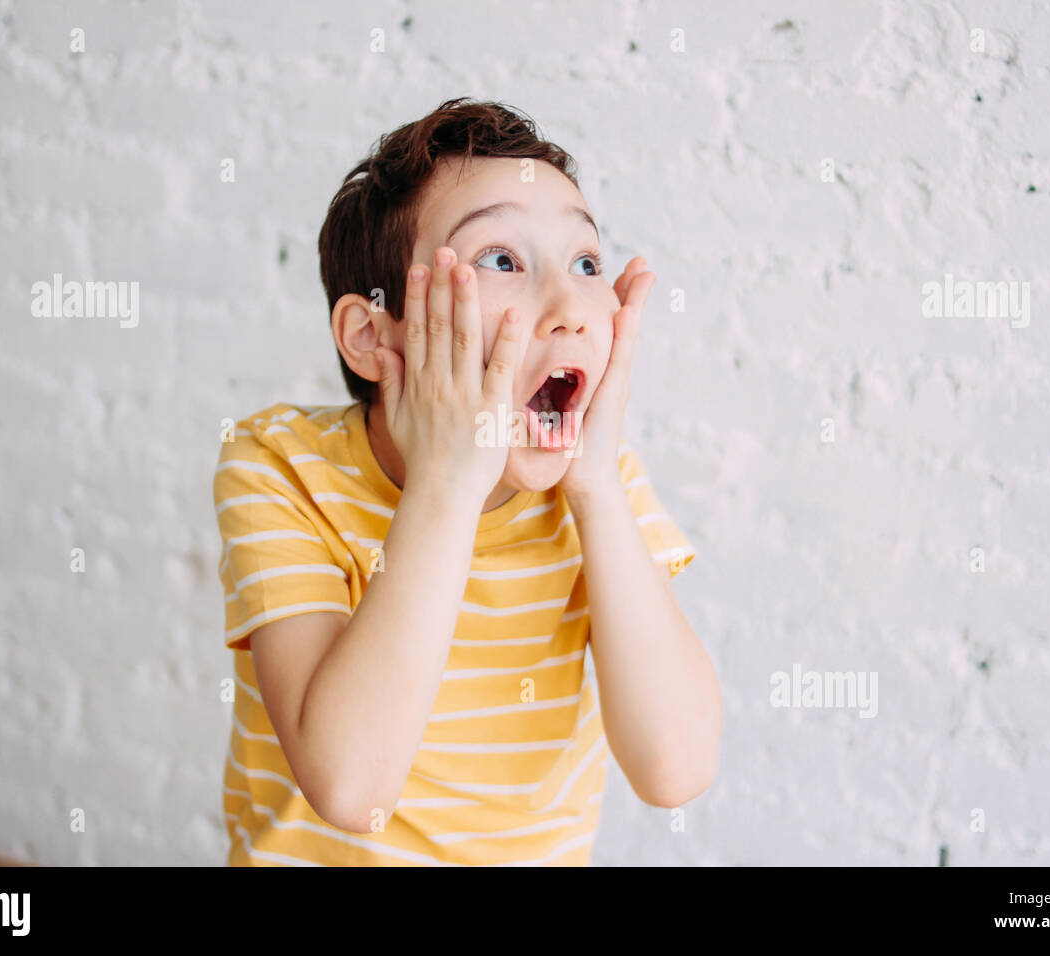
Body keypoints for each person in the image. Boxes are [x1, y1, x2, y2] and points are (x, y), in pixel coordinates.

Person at [213, 97, 721, 865]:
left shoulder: (600, 482)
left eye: (586, 263)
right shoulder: (280, 464)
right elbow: (352, 788)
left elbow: (674, 769)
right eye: (502, 261)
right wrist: (448, 484)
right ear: (372, 334)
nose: (570, 309)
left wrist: (595, 492)